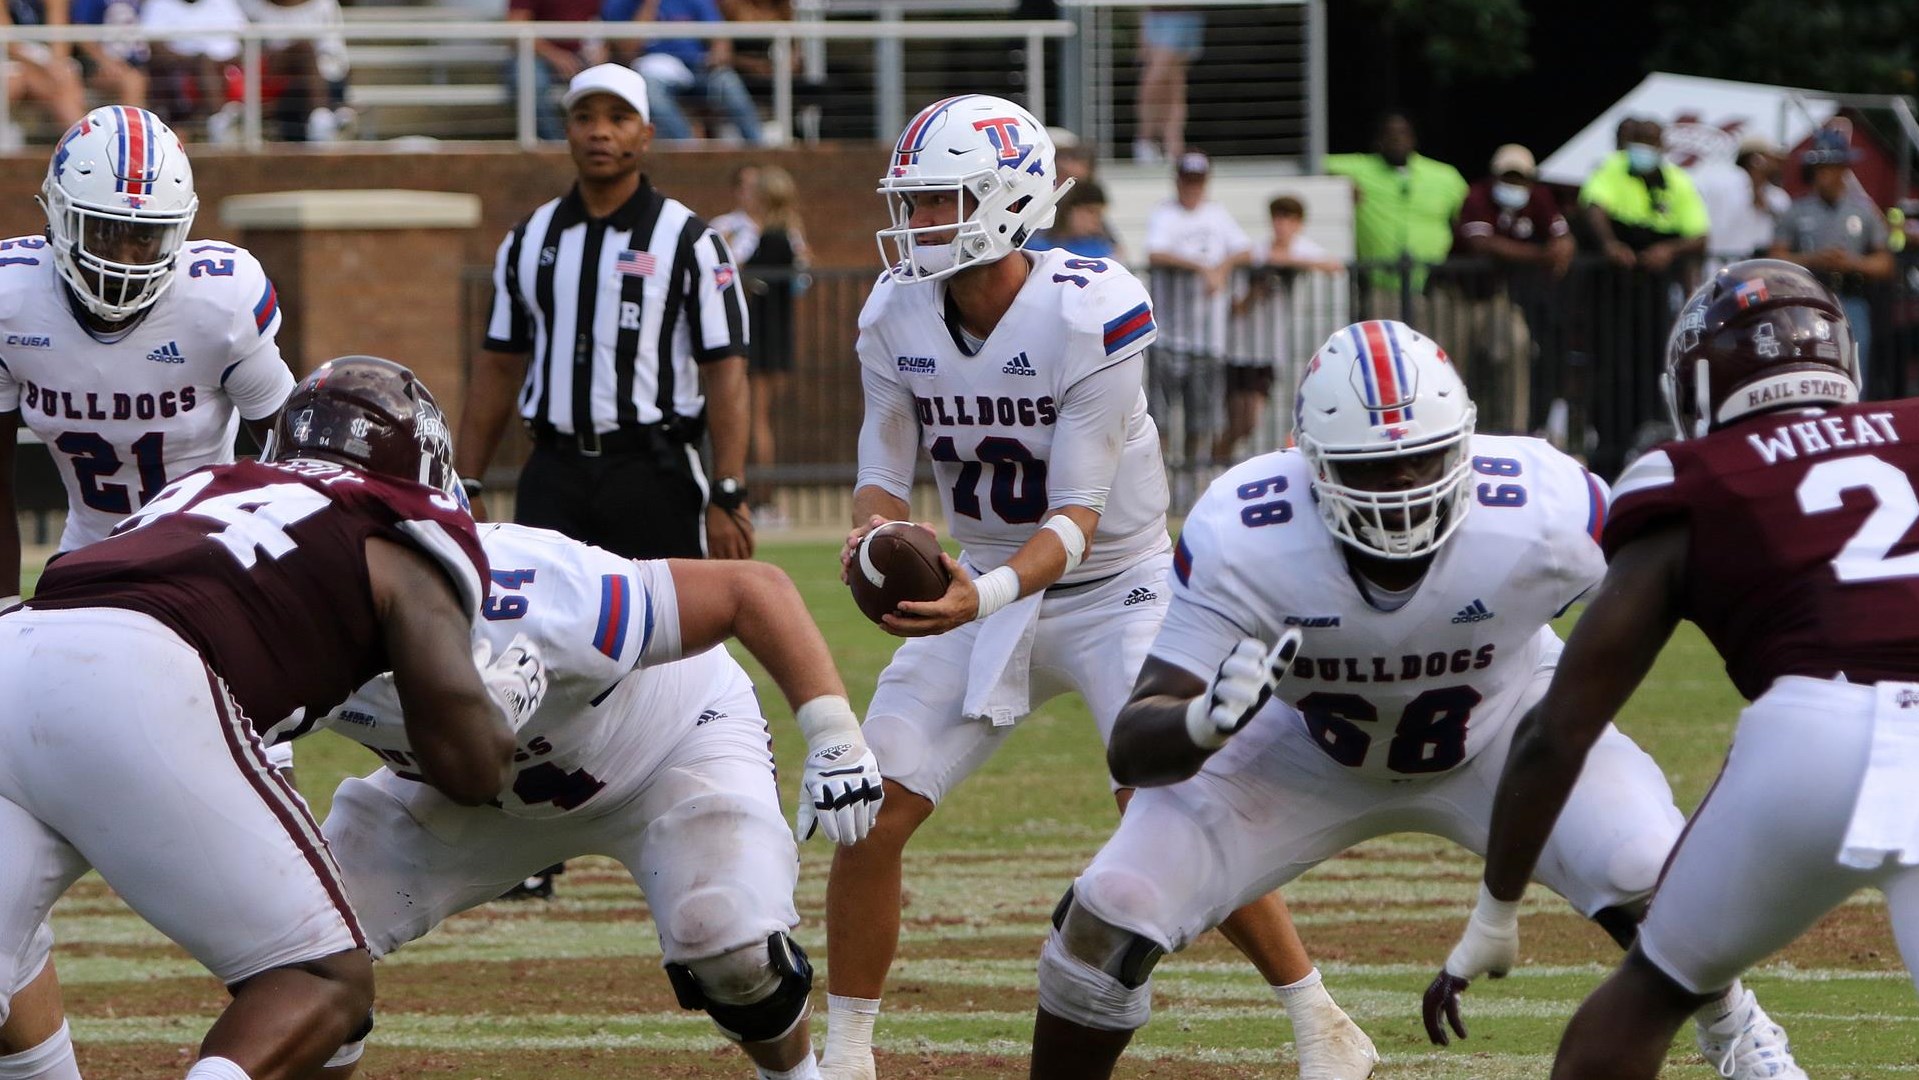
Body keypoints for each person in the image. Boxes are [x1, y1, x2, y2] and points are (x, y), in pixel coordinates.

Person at [1028, 318, 1802, 1080]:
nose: (1401, 489)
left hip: (1503, 729)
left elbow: (1686, 577)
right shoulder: (1246, 531)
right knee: (1109, 912)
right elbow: (1133, 741)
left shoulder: (1543, 505)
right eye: (1369, 469)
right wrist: (1200, 723)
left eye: (1424, 460)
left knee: (1647, 868)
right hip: (1302, 747)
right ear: (1308, 463)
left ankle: (1733, 1024)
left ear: (1465, 446)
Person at [821, 94, 1373, 1080]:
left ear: (1007, 200)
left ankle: (1317, 1016)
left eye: (944, 202)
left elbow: (1075, 518)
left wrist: (973, 600)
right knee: (868, 810)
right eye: (916, 202)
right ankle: (847, 1050)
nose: (920, 225)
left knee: (1169, 809)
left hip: (1116, 586)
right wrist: (873, 535)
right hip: (981, 580)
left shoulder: (1090, 307)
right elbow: (880, 468)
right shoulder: (895, 308)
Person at [0, 356, 524, 1080]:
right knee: (319, 979)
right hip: (139, 676)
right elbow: (470, 771)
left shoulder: (207, 483)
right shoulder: (400, 523)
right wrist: (502, 706)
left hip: (18, 644)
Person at [1428, 259, 1880, 1079]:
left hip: (1818, 731)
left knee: (1649, 996)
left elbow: (1560, 727)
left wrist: (1495, 910)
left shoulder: (1689, 477)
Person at [316, 521, 884, 1080]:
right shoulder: (287, 620)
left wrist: (834, 735)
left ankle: (794, 1075)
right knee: (304, 943)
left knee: (726, 937)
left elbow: (751, 590)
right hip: (474, 796)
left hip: (666, 746)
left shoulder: (549, 590)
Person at [0, 105, 296, 611]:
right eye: (104, 231)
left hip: (210, 559)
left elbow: (299, 461)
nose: (125, 260)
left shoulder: (219, 303)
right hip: (88, 558)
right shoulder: (13, 300)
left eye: (144, 236)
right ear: (58, 215)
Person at [458, 63, 754, 565]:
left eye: (619, 118)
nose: (600, 131)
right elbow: (499, 363)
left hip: (654, 471)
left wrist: (728, 489)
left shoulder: (689, 239)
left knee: (670, 637)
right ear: (568, 130)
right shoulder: (529, 237)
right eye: (585, 117)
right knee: (541, 636)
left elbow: (725, 370)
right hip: (554, 469)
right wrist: (468, 479)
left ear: (646, 134)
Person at [1144, 149, 1252, 485]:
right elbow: (1155, 252)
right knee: (1159, 421)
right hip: (1169, 335)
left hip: (1208, 337)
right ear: (1177, 181)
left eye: (1198, 182)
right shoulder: (1165, 214)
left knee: (1200, 422)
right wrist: (1202, 268)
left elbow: (1244, 249)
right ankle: (1159, 487)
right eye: (1187, 181)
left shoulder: (1217, 214)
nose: (1192, 188)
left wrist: (1221, 268)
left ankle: (1189, 487)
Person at [1451, 143, 1574, 433]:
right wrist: (1542, 256)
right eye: (1507, 178)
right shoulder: (1477, 195)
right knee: (1454, 366)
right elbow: (1483, 244)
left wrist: (1563, 246)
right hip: (1455, 295)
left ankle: (1511, 432)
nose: (1513, 185)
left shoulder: (1539, 197)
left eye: (1520, 179)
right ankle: (1455, 432)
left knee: (1515, 346)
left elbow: (1563, 237)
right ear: (1494, 177)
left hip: (1496, 296)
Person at [1768, 127, 1894, 383]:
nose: (1822, 174)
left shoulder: (1863, 211)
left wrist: (1852, 263)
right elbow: (1775, 256)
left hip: (1851, 297)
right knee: (1807, 364)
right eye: (1818, 167)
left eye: (1829, 166)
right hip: (1807, 299)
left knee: (1855, 366)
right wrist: (1813, 259)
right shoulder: (1798, 210)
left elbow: (1885, 263)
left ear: (1843, 169)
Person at [1221, 193, 1340, 460]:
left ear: (1298, 224)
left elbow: (1333, 265)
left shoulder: (1298, 250)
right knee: (1237, 421)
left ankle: (1218, 456)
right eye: (1278, 218)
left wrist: (1283, 262)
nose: (1281, 225)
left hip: (1268, 350)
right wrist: (1256, 289)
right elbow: (1237, 305)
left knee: (1250, 420)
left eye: (1288, 219)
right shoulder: (1257, 251)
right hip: (1241, 346)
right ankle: (1216, 459)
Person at [1324, 112, 1467, 315]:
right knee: (1385, 345)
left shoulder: (1445, 176)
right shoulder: (1358, 168)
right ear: (1378, 141)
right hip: (1381, 288)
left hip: (1432, 286)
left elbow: (1468, 218)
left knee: (1429, 344)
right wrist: (1337, 187)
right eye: (1389, 134)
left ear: (1414, 138)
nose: (1397, 139)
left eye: (1403, 133)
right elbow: (1308, 162)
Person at [738, 164, 807, 519]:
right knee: (759, 418)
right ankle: (763, 497)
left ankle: (763, 499)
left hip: (765, 337)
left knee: (756, 419)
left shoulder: (773, 238)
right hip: (774, 335)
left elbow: (745, 275)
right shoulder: (785, 236)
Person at [606, 0, 765, 146]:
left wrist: (717, 56)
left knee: (726, 80)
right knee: (651, 89)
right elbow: (626, 52)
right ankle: (689, 147)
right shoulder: (618, 3)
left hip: (696, 66)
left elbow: (720, 39)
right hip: (652, 69)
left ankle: (760, 148)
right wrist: (650, 3)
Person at [505, 0, 606, 142]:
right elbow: (515, 25)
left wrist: (601, 48)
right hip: (535, 56)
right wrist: (555, 55)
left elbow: (604, 19)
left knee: (605, 82)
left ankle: (590, 141)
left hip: (581, 55)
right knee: (530, 81)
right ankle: (556, 145)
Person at [1697, 135, 1790, 263]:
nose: (1779, 166)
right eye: (1774, 159)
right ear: (1757, 159)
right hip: (1720, 262)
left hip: (1759, 264)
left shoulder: (1777, 195)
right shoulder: (1721, 184)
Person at [1, 0, 88, 135]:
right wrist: (41, 68)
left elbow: (60, 43)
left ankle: (84, 141)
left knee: (65, 78)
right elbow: (8, 44)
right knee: (13, 83)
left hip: (41, 60)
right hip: (10, 58)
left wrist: (55, 67)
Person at [1133, 6, 1201, 163]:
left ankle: (1170, 142)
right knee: (1154, 79)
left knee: (1174, 85)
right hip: (1157, 16)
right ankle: (1147, 140)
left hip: (1186, 15)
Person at [1028, 181, 1121, 260]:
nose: (1097, 220)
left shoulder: (1102, 251)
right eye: (1091, 212)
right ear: (1069, 210)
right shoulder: (1034, 248)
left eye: (1100, 214)